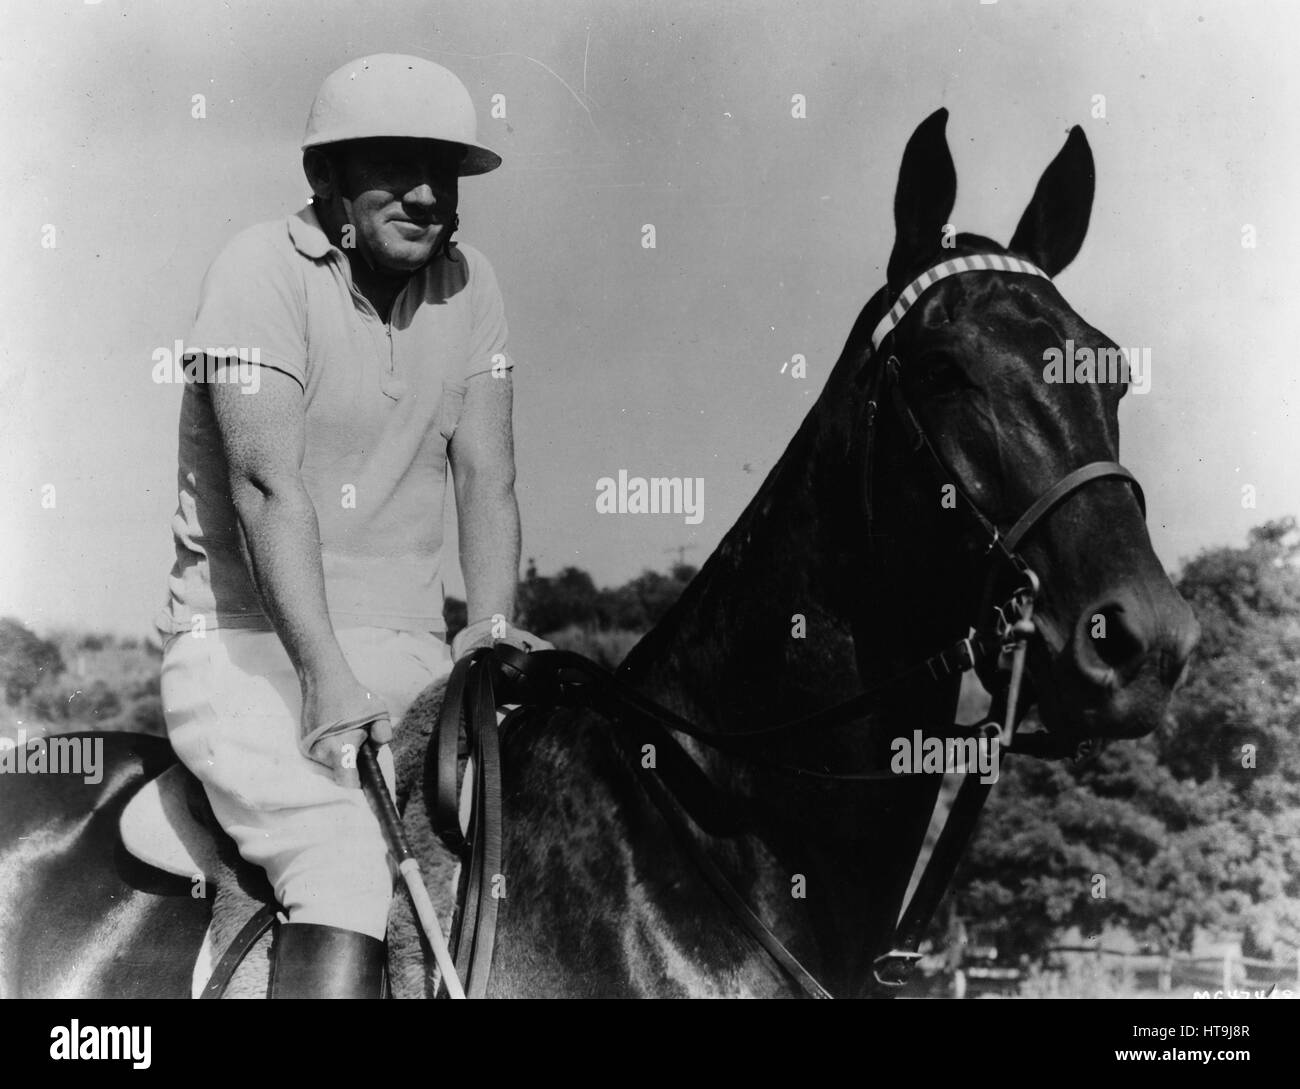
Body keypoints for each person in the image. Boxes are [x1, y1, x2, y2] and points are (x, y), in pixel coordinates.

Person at [155, 54, 549, 998]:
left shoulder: (473, 285)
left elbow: (488, 482)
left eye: (444, 172)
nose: (425, 194)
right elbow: (264, 487)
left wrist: (489, 638)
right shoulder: (257, 272)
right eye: (394, 166)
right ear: (323, 177)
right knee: (345, 862)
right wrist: (327, 676)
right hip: (252, 654)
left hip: (413, 657)